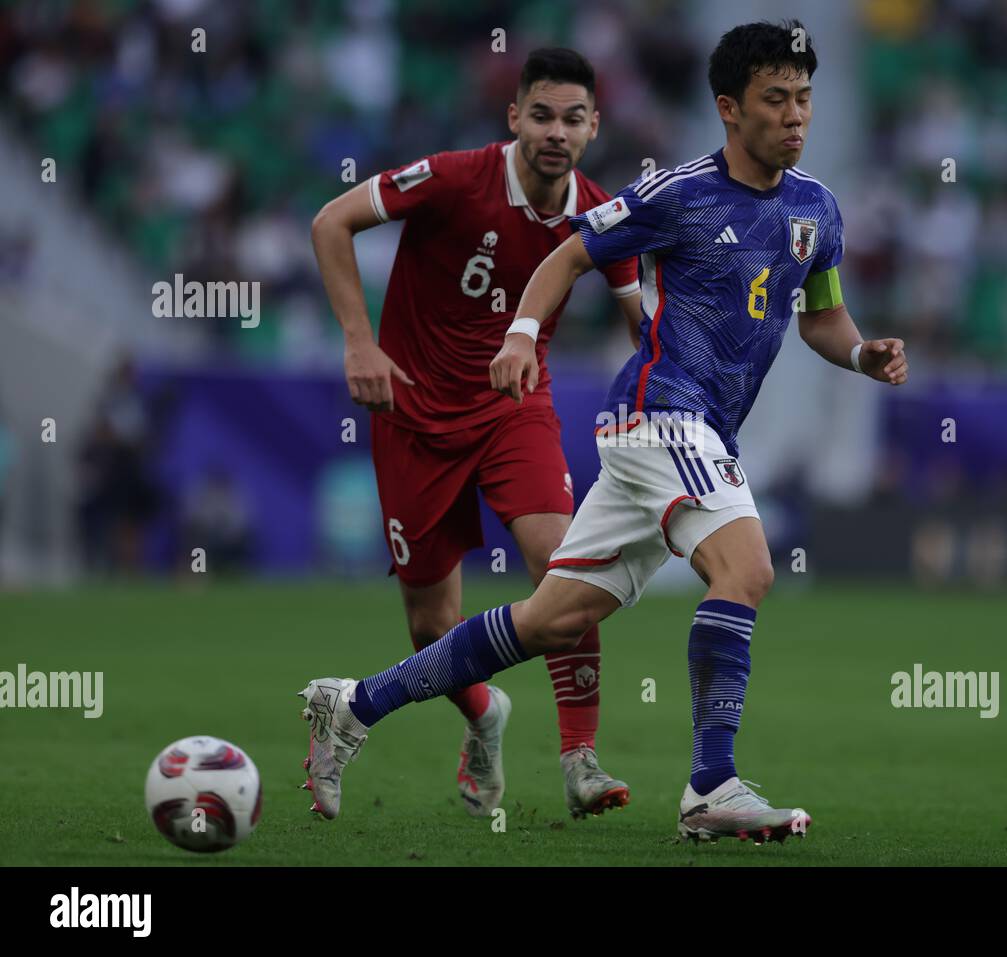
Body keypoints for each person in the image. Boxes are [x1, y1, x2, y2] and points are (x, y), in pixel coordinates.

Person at [300, 20, 908, 843]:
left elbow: (823, 318)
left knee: (551, 617)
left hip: (677, 432)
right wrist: (520, 335)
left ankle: (356, 702)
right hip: (664, 413)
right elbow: (569, 256)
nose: (795, 116)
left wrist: (865, 353)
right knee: (748, 568)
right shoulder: (678, 193)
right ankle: (711, 784)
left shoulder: (818, 211)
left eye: (804, 98)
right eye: (776, 100)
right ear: (730, 109)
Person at [308, 48, 641, 819]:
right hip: (413, 415)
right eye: (542, 114)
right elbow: (332, 222)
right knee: (431, 623)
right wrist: (359, 342)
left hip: (513, 406)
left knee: (564, 567)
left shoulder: (598, 212)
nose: (556, 131)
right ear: (514, 117)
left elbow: (640, 321)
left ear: (593, 127)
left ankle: (580, 758)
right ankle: (486, 716)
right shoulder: (455, 177)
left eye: (573, 118)